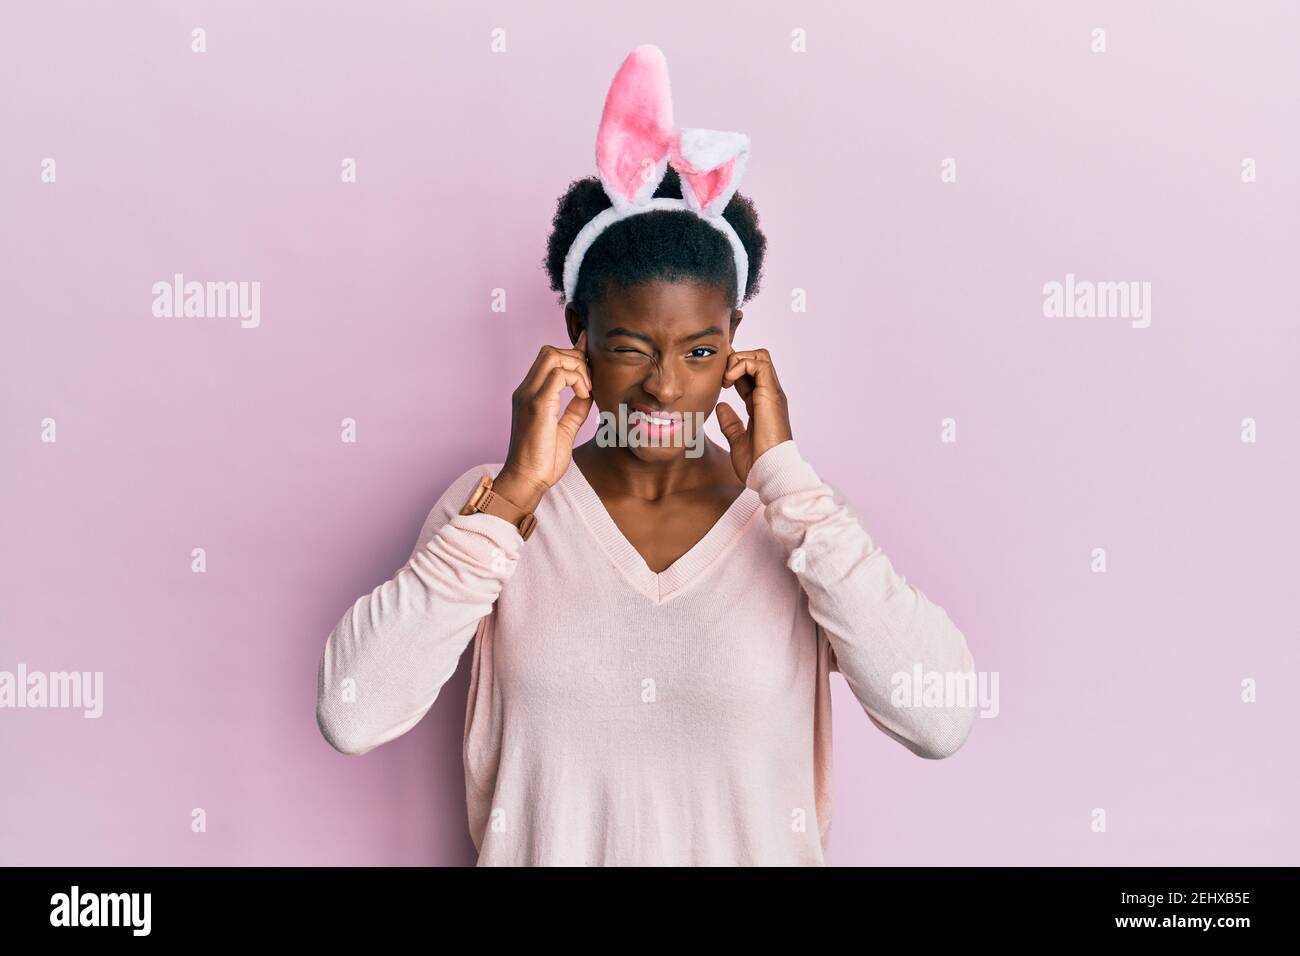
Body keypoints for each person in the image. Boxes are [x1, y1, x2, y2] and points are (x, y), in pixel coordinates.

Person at [315, 45, 977, 866]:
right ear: (577, 339)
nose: (664, 387)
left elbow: (942, 719)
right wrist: (517, 494)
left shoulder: (798, 522)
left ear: (736, 344)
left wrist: (787, 483)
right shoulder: (492, 511)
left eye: (699, 351)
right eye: (631, 347)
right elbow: (353, 712)